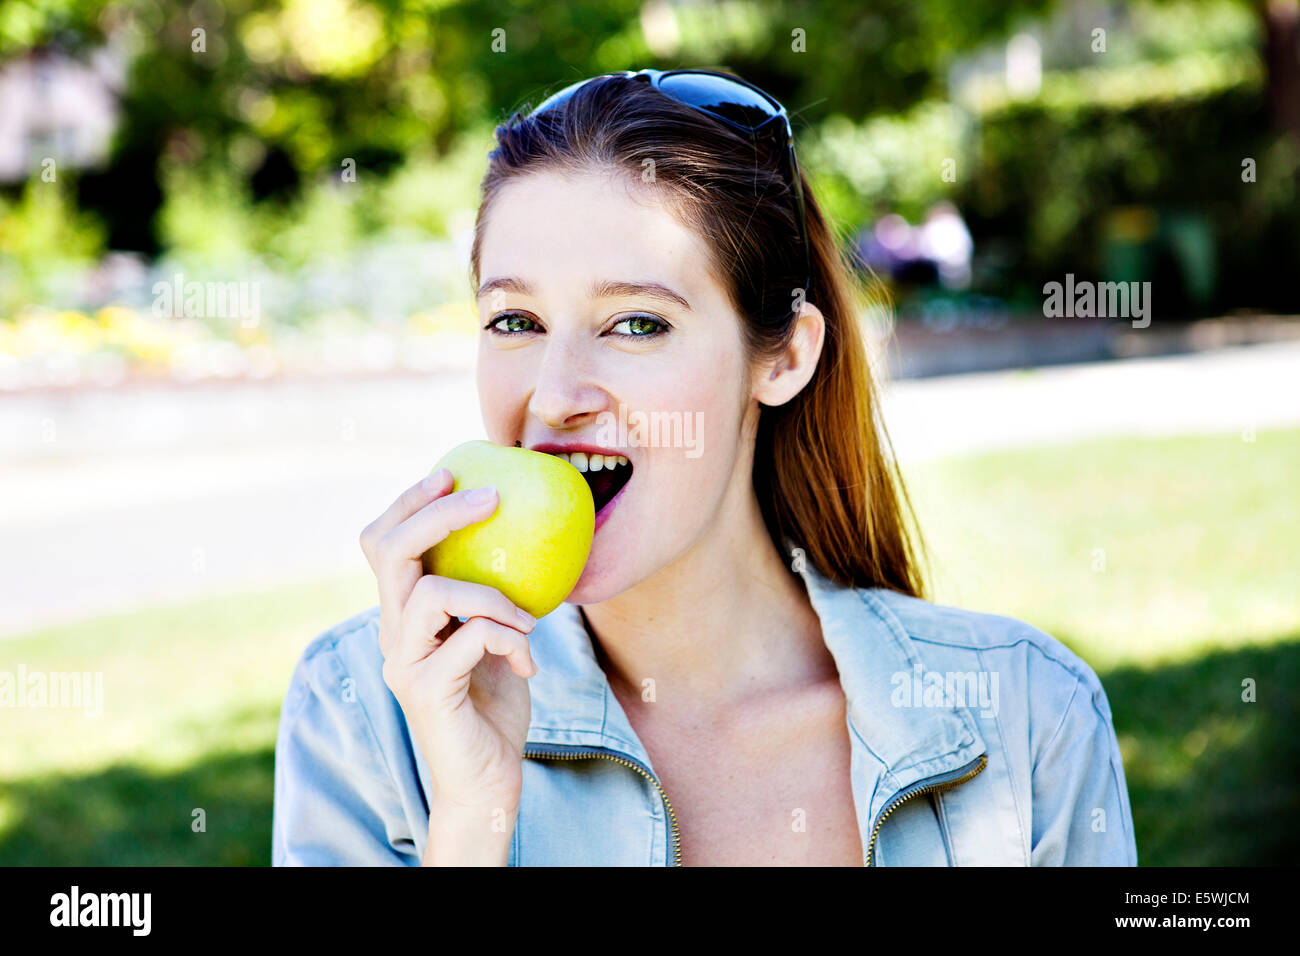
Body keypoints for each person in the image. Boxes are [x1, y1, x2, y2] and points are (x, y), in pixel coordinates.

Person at [272, 69, 1137, 866]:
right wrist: (470, 820)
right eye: (515, 320)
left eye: (636, 323)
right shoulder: (365, 712)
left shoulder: (1029, 715)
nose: (555, 393)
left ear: (785, 357)